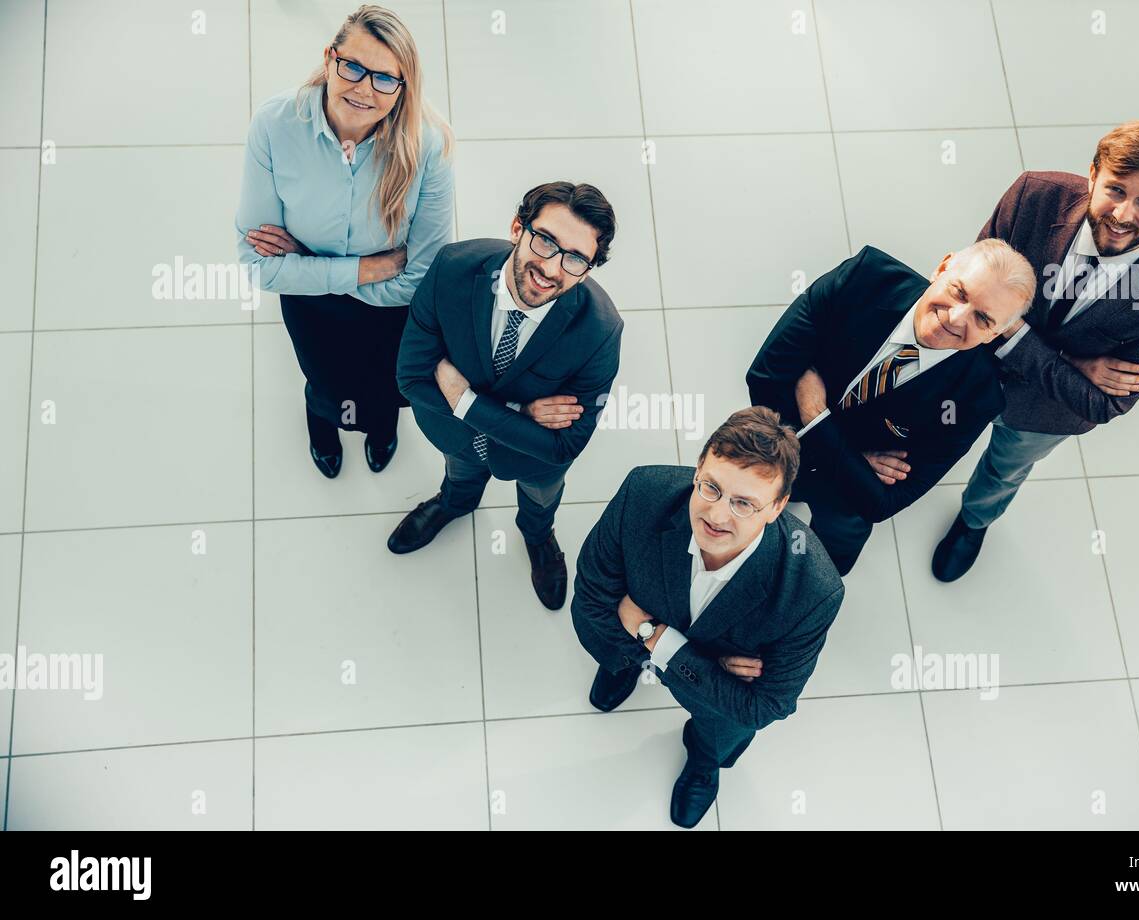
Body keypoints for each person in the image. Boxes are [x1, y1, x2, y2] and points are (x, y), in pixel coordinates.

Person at [932, 121, 1139, 582]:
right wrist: (1070, 364)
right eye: (1115, 190)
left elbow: (1104, 402)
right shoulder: (1033, 196)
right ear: (1092, 175)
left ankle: (972, 523)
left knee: (1003, 472)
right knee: (928, 432)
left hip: (1044, 414)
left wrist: (1016, 334)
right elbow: (974, 292)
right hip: (967, 366)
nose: (1123, 214)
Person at [572, 407, 844, 828]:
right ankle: (623, 667)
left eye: (743, 503)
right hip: (636, 646)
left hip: (706, 698)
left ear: (777, 507)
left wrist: (655, 636)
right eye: (711, 488)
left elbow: (765, 706)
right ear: (698, 468)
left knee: (717, 734)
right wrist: (709, 665)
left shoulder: (812, 590)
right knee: (615, 647)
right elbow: (592, 591)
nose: (716, 516)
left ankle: (702, 765)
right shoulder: (644, 491)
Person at [236, 4, 454, 479]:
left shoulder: (428, 145)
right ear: (330, 57)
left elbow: (421, 278)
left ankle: (380, 428)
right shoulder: (275, 125)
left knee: (387, 384)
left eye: (384, 78)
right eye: (352, 66)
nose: (363, 88)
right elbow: (258, 265)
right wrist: (370, 267)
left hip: (390, 308)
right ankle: (323, 426)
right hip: (312, 306)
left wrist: (309, 264)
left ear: (402, 88)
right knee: (325, 381)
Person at [390, 182, 622, 611]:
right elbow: (410, 379)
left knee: (540, 499)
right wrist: (523, 414)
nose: (552, 268)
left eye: (575, 259)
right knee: (459, 475)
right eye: (546, 240)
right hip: (454, 435)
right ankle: (454, 503)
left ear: (586, 271)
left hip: (528, 459)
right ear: (518, 227)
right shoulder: (452, 269)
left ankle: (537, 536)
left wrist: (467, 402)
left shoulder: (600, 330)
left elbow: (563, 446)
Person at [747, 239, 1034, 576]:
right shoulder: (864, 277)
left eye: (983, 319)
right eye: (959, 292)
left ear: (994, 334)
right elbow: (765, 378)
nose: (956, 319)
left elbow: (882, 503)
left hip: (844, 500)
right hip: (797, 453)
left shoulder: (977, 398)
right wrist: (853, 463)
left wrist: (815, 416)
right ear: (942, 267)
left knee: (824, 562)